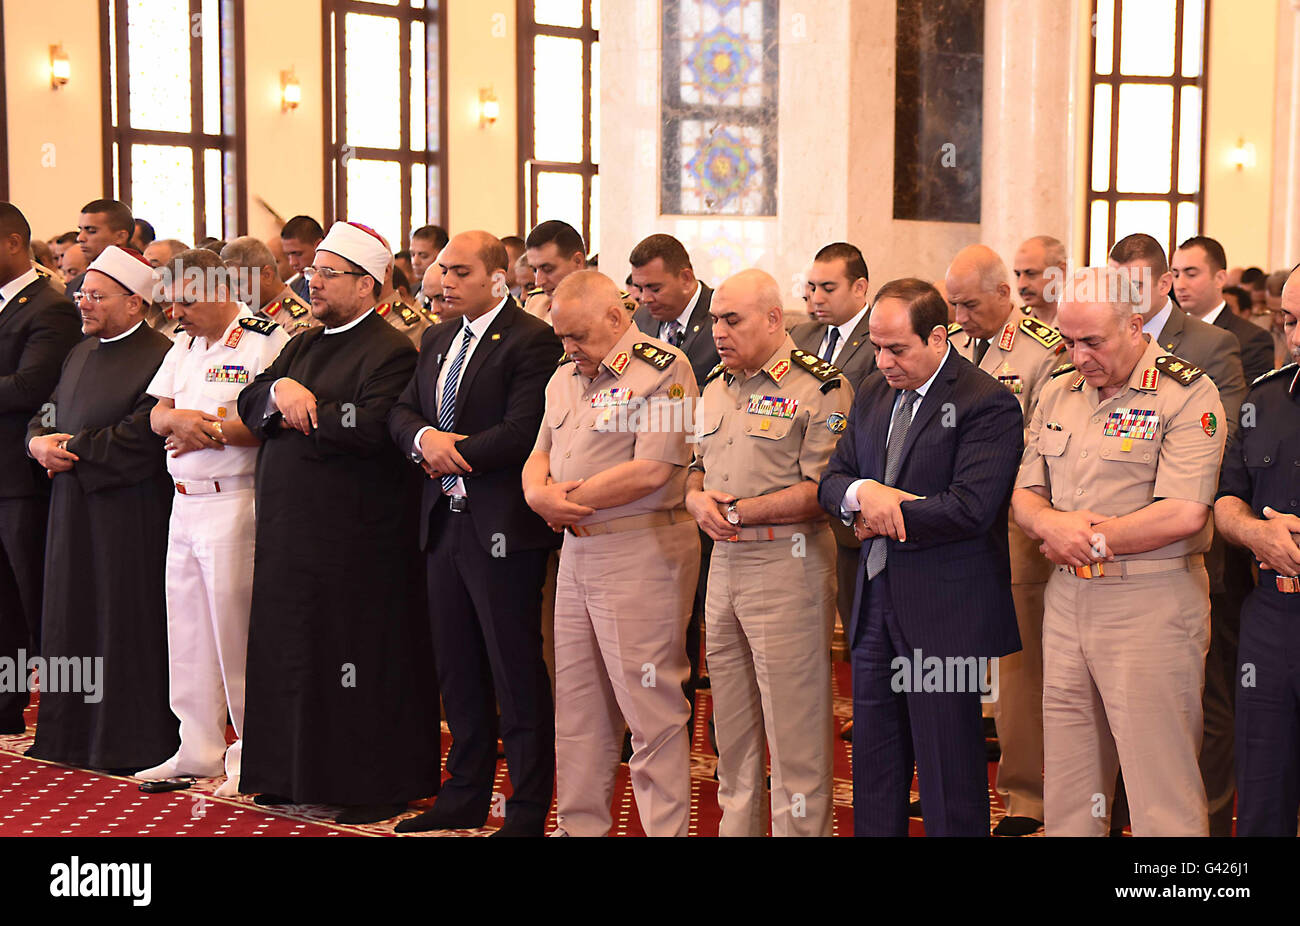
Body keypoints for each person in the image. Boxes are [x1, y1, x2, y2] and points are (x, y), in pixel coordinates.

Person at [236, 221, 439, 824]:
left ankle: (366, 785)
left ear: (367, 285)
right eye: (314, 270)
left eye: (328, 273)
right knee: (291, 651)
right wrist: (279, 396)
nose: (313, 282)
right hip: (290, 535)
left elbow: (374, 428)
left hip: (356, 541)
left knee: (353, 661)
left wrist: (305, 408)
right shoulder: (302, 341)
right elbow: (252, 401)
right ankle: (287, 771)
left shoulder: (392, 350)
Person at [1012, 266, 1226, 837]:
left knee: (1160, 786)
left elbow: (1184, 512)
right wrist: (1050, 526)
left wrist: (1084, 539)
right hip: (1068, 600)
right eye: (1069, 341)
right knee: (1070, 781)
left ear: (1136, 325)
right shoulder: (1059, 389)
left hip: (1151, 602)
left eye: (1093, 342)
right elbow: (1025, 494)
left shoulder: (1188, 392)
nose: (1079, 356)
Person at [818, 277, 1024, 837]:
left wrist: (884, 510)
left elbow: (971, 508)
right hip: (874, 601)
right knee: (875, 766)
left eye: (897, 349)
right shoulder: (871, 392)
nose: (883, 361)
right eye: (877, 347)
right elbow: (832, 480)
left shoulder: (988, 401)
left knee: (947, 770)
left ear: (938, 337)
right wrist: (863, 495)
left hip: (944, 612)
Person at [389, 231, 562, 837]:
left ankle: (526, 807)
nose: (444, 282)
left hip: (502, 529)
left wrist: (448, 454)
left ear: (498, 276)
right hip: (443, 524)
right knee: (456, 668)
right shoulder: (437, 337)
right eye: (442, 271)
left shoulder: (531, 339)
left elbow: (523, 432)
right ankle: (464, 795)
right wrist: (421, 441)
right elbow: (402, 411)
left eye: (460, 271)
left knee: (514, 670)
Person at [523, 269, 700, 836]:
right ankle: (581, 829)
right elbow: (539, 452)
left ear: (617, 318)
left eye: (578, 336)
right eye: (563, 338)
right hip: (577, 551)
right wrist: (534, 493)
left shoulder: (667, 369)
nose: (570, 349)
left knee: (652, 710)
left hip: (641, 551)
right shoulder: (564, 375)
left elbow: (654, 469)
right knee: (576, 708)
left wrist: (561, 499)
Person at [687, 268, 852, 836]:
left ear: (775, 319)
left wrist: (738, 512)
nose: (719, 332)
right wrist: (694, 501)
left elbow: (824, 490)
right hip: (724, 564)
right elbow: (695, 467)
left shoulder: (820, 386)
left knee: (795, 733)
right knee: (731, 732)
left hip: (788, 563)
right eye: (714, 320)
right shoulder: (714, 384)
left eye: (732, 320)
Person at [136, 248, 288, 796]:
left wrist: (209, 429)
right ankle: (196, 745)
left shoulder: (264, 338)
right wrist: (175, 419)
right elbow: (158, 411)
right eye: (171, 301)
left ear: (223, 288)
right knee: (190, 631)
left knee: (236, 634)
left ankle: (251, 752)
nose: (176, 311)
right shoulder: (184, 341)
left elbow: (269, 420)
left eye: (188, 299)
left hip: (234, 500)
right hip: (183, 500)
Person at [25, 245, 177, 771]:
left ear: (135, 302)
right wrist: (36, 444)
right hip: (70, 508)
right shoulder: (79, 351)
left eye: (97, 295)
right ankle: (69, 738)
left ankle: (126, 742)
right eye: (81, 293)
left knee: (122, 622)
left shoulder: (162, 354)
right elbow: (46, 411)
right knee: (72, 616)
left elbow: (144, 433)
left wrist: (73, 449)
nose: (83, 303)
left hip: (128, 513)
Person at [946, 243, 1066, 835]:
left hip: (1013, 527)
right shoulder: (950, 345)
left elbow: (1043, 445)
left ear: (1004, 294)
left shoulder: (1045, 352)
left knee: (1018, 670)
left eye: (970, 304)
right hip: (953, 525)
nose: (961, 316)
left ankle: (1026, 796)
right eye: (953, 305)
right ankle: (958, 783)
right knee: (956, 663)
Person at [1214, 265, 1300, 835]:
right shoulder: (1266, 398)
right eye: (1288, 320)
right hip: (1273, 617)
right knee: (1262, 792)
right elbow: (1225, 501)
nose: (1295, 337)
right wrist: (1256, 533)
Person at [0, 203, 82, 735]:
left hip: (18, 478)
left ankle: (45, 712)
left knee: (26, 600)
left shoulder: (48, 306)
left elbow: (31, 388)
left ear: (11, 242)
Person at [788, 242, 875, 718]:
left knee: (862, 624)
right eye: (811, 287)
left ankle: (870, 715)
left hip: (851, 503)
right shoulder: (800, 335)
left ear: (859, 288)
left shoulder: (876, 337)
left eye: (828, 287)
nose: (816, 297)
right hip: (801, 503)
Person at [1172, 237, 1275, 384]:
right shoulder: (1169, 332)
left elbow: (1249, 403)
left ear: (1219, 278)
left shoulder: (1252, 340)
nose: (1180, 284)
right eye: (1176, 275)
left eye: (1191, 274)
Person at [629, 234, 719, 387]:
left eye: (655, 289)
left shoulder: (720, 314)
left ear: (685, 278)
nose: (645, 299)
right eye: (640, 289)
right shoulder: (641, 318)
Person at [220, 235, 316, 336]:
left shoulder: (298, 321)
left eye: (240, 283)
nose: (236, 292)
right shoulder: (242, 312)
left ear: (267, 275)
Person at [68, 199, 134, 298]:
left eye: (91, 231)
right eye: (80, 230)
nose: (80, 238)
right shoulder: (75, 284)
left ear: (120, 237)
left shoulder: (139, 282)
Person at [1013, 235, 1069, 327]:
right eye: (1018, 275)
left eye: (1031, 273)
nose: (1021, 285)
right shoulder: (1012, 324)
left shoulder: (1083, 322)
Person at [279, 215, 324, 303]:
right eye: (288, 255)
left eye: (298, 254)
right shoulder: (293, 287)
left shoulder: (336, 285)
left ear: (319, 246)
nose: (292, 263)